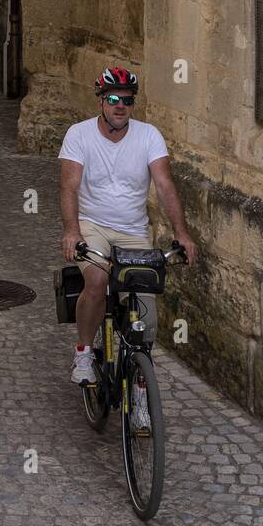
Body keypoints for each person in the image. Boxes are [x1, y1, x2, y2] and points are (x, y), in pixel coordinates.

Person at [59, 66, 197, 388]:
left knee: (145, 308)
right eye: (113, 98)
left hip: (134, 230)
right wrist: (71, 230)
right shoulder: (79, 135)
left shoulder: (149, 135)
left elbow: (164, 185)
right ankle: (83, 353)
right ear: (101, 102)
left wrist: (182, 233)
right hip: (92, 224)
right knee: (97, 279)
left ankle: (140, 385)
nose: (120, 105)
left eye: (128, 100)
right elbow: (69, 186)